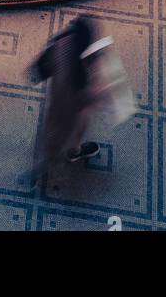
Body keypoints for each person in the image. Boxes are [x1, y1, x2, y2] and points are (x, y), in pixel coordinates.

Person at [31, 15, 133, 176]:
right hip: (71, 100)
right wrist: (101, 97)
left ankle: (53, 153)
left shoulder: (61, 42)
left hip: (58, 96)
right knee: (70, 127)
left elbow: (41, 66)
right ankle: (58, 157)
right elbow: (87, 88)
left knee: (55, 125)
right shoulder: (81, 60)